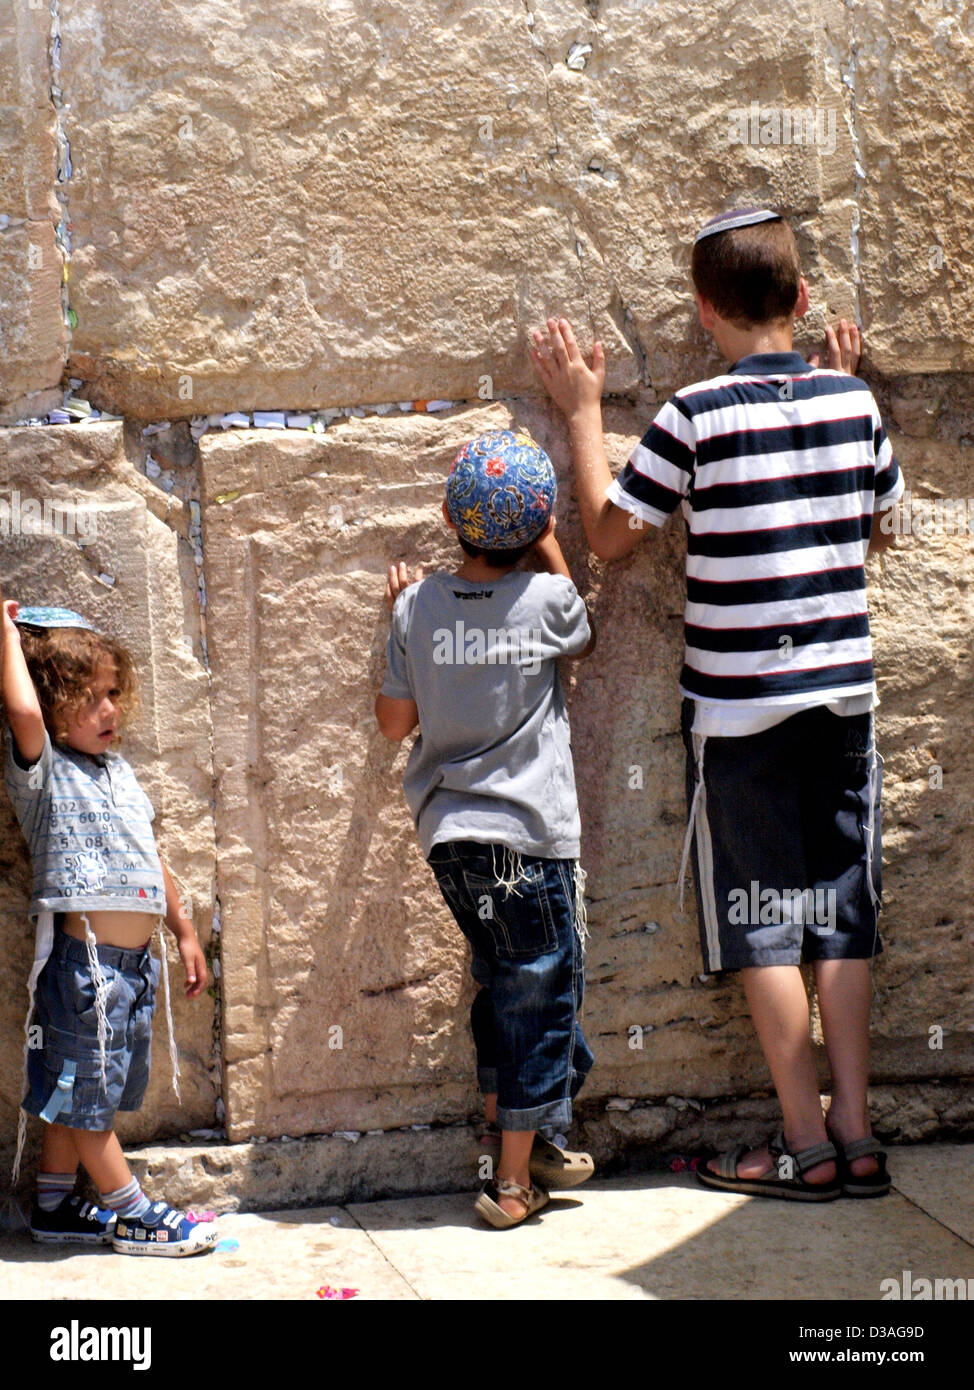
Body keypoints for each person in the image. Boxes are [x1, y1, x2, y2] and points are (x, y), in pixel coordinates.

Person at [530, 207, 902, 1200]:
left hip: (737, 713)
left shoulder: (693, 416)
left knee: (763, 915)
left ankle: (800, 1141)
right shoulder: (850, 407)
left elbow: (611, 537)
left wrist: (579, 409)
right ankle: (855, 1132)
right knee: (838, 914)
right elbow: (874, 526)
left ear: (701, 310)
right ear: (802, 298)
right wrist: (833, 386)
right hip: (839, 700)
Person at [375, 428, 597, 1228]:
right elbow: (581, 624)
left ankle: (515, 1134)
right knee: (542, 995)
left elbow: (394, 723)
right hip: (529, 841)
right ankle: (511, 1183)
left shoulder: (416, 605)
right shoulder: (545, 598)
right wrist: (550, 546)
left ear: (446, 514)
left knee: (506, 986)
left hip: (452, 845)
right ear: (535, 527)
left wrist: (397, 622)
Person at [1, 591, 219, 1253]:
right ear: (50, 700)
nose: (109, 710)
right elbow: (20, 709)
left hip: (132, 970)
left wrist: (181, 930)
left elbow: (151, 855)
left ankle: (55, 1204)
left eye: (114, 693)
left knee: (86, 1092)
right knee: (83, 1094)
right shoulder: (44, 773)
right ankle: (132, 1210)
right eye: (90, 697)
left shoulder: (118, 773)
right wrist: (4, 635)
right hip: (83, 973)